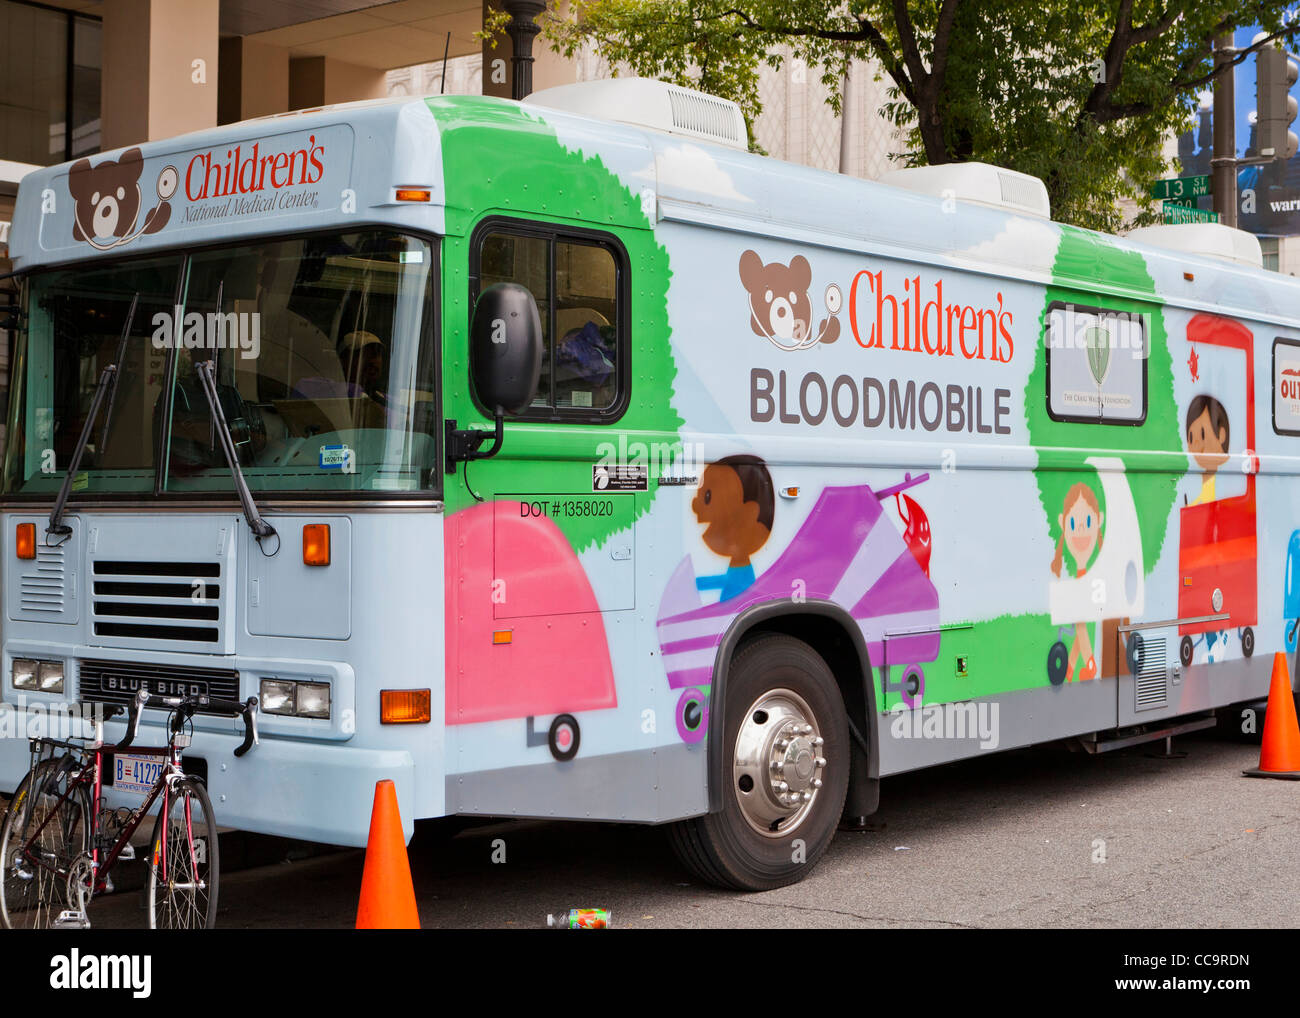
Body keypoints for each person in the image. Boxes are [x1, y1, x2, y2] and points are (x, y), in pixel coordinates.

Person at [692, 455, 774, 602]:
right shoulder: (741, 566)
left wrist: (697, 583)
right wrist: (698, 583)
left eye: (708, 496)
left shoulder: (742, 568)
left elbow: (731, 582)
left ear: (749, 513)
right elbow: (726, 580)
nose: (695, 506)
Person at [1050, 482, 1105, 682]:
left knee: (1080, 621)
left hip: (1086, 581)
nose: (1081, 530)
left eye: (1087, 522)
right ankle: (1074, 667)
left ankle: (1089, 662)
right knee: (1079, 621)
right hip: (1083, 579)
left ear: (1099, 520)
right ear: (1063, 523)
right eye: (1073, 524)